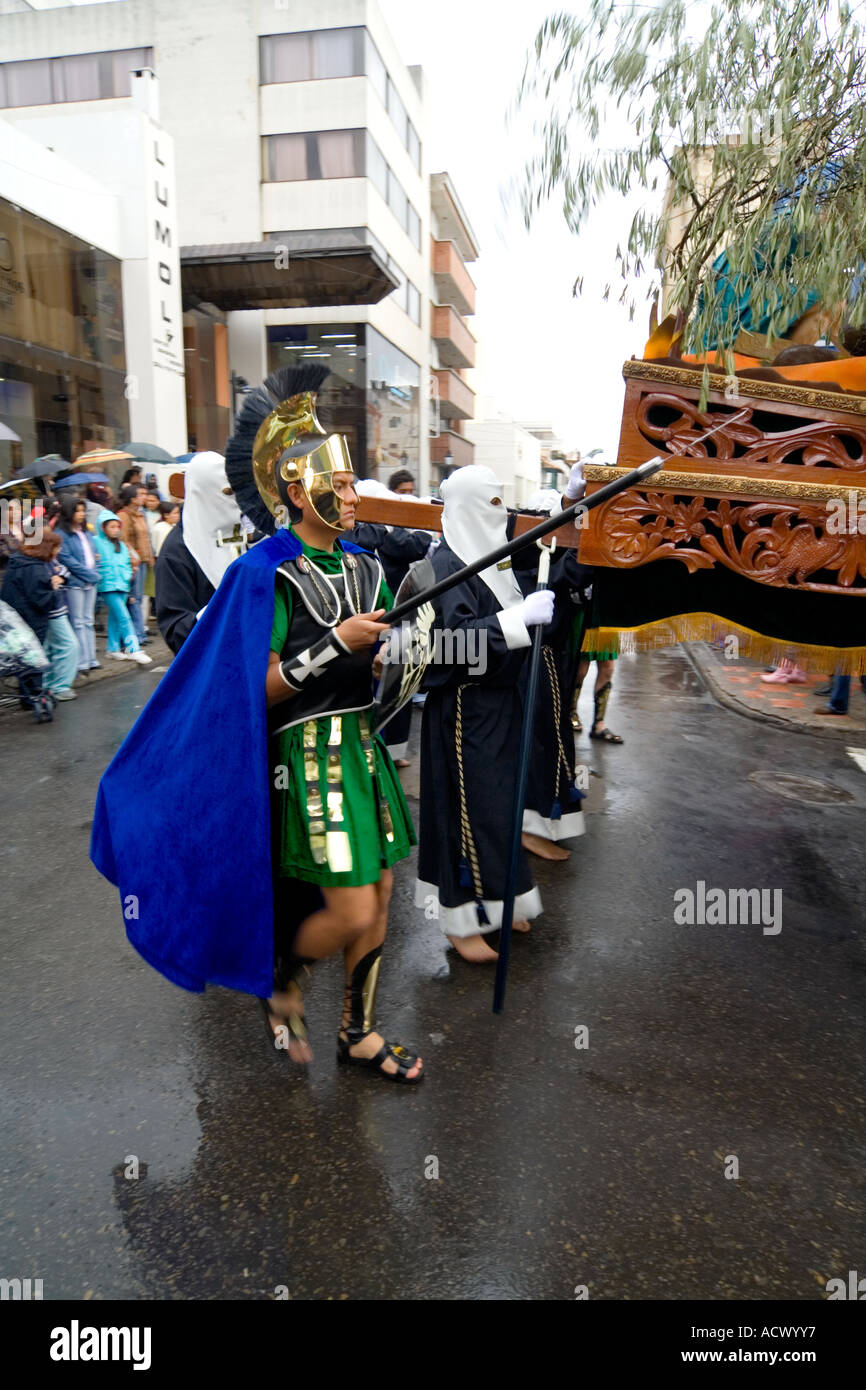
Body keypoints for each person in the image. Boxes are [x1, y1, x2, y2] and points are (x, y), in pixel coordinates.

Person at [92, 364, 423, 1083]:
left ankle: (358, 1032)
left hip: (360, 747)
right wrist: (337, 644)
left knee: (385, 890)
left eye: (351, 483)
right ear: (298, 492)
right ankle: (280, 978)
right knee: (351, 901)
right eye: (334, 486)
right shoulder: (265, 571)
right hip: (306, 758)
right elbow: (255, 690)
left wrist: (404, 651)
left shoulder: (368, 566)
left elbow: (385, 668)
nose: (350, 494)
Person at [415, 464, 554, 963]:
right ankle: (462, 918)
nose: (504, 514)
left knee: (502, 809)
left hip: (502, 706)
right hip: (464, 711)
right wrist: (514, 623)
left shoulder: (491, 561)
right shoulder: (443, 567)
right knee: (466, 813)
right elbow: (444, 651)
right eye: (493, 503)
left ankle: (502, 899)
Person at [155, 453, 242, 654]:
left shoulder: (246, 532)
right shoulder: (175, 553)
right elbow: (175, 628)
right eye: (227, 493)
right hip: (211, 664)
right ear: (202, 494)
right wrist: (222, 611)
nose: (236, 502)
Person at [0, 531, 63, 721]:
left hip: (13, 619)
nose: (58, 551)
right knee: (32, 657)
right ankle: (34, 695)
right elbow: (42, 600)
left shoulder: (18, 561)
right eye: (57, 547)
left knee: (19, 658)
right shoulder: (37, 569)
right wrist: (55, 587)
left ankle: (29, 695)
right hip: (33, 620)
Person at [92, 510, 152, 666]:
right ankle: (134, 649)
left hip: (123, 585)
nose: (115, 530)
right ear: (103, 527)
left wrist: (127, 578)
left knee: (115, 618)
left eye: (117, 527)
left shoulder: (122, 545)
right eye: (111, 527)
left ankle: (112, 649)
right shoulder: (95, 541)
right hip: (107, 586)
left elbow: (128, 563)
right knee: (124, 617)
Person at [57, 494, 101, 674]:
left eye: (83, 510)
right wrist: (90, 575)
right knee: (78, 622)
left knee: (88, 620)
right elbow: (67, 559)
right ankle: (82, 661)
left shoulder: (86, 532)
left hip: (91, 581)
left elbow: (95, 555)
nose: (81, 514)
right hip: (75, 583)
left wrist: (95, 572)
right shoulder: (62, 534)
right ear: (69, 512)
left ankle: (91, 658)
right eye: (77, 510)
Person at [116, 483, 153, 644]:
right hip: (132, 561)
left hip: (143, 560)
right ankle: (137, 635)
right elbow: (123, 540)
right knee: (133, 599)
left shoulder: (139, 514)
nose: (144, 497)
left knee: (138, 598)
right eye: (140, 495)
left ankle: (138, 633)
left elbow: (146, 538)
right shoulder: (124, 515)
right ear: (132, 498)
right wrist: (132, 559)